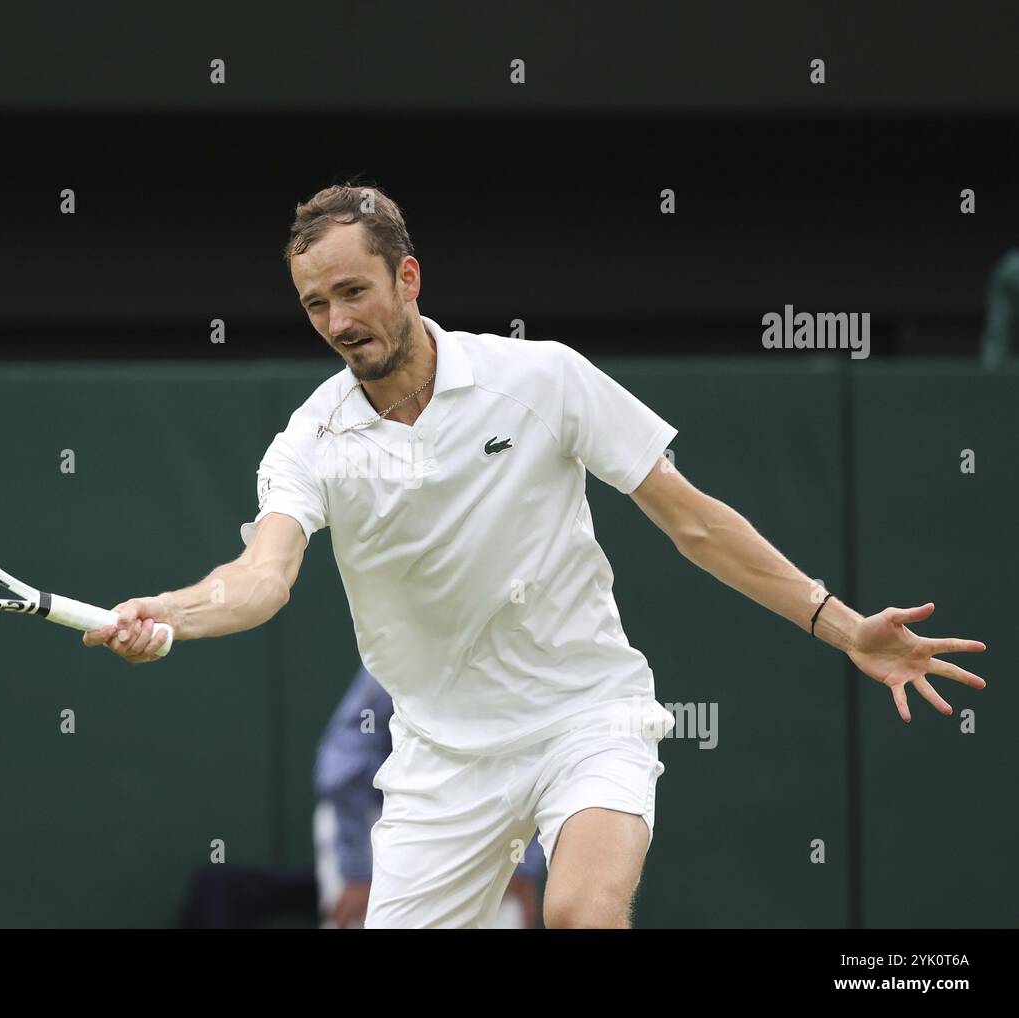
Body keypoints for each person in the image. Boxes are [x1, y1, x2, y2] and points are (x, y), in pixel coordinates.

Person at [83, 182, 988, 929]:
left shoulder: (543, 378)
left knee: (582, 918)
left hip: (584, 716)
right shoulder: (309, 442)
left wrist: (843, 628)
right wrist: (172, 611)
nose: (337, 320)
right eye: (316, 303)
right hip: (440, 760)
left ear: (407, 277)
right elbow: (262, 579)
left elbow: (695, 523)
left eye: (353, 291)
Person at [314, 665, 544, 929]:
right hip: (367, 818)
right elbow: (342, 769)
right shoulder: (398, 653)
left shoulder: (528, 659)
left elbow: (541, 755)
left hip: (486, 813)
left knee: (504, 914)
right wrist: (357, 869)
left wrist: (523, 863)